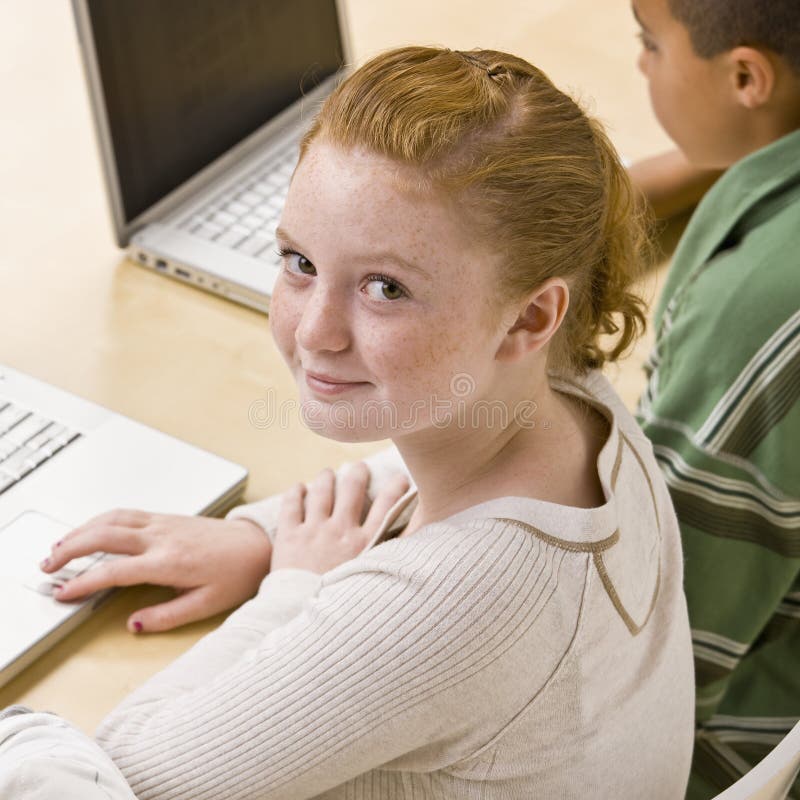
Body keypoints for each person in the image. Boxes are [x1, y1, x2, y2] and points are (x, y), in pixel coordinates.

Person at [31, 46, 694, 798]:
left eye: (385, 287)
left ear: (530, 317)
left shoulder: (451, 608)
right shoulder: (576, 403)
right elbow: (406, 472)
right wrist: (263, 536)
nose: (316, 331)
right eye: (299, 261)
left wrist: (292, 592)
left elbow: (120, 772)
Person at [629, 1, 800, 797]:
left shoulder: (756, 313)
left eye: (649, 43)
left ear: (745, 76)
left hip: (729, 744)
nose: (639, 67)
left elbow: (649, 642)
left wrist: (297, 575)